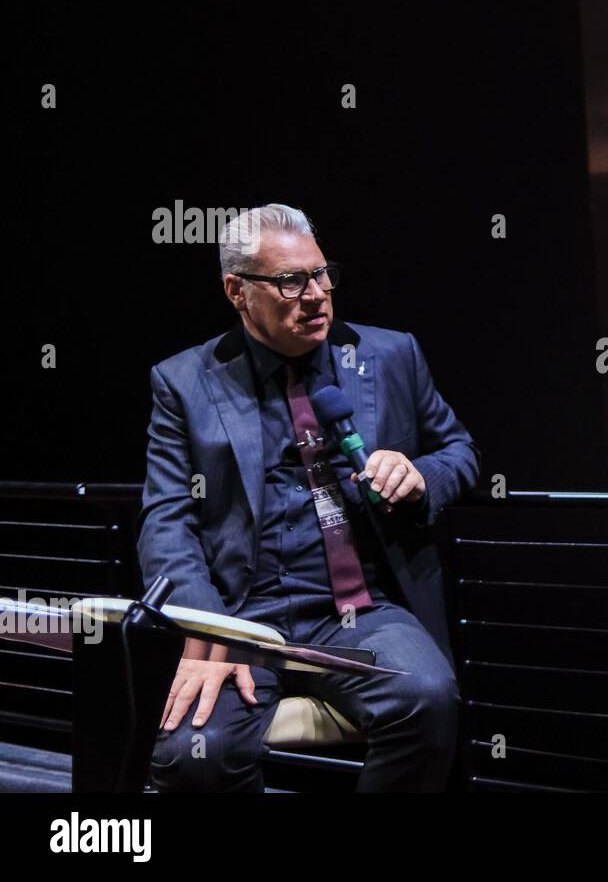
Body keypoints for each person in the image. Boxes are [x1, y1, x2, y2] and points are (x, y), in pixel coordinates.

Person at [138, 203, 480, 791]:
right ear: (237, 291)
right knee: (197, 754)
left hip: (359, 613)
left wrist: (422, 475)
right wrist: (208, 628)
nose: (316, 294)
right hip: (243, 618)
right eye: (290, 281)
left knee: (428, 697)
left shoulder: (391, 355)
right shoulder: (184, 382)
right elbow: (166, 521)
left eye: (322, 274)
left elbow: (461, 452)